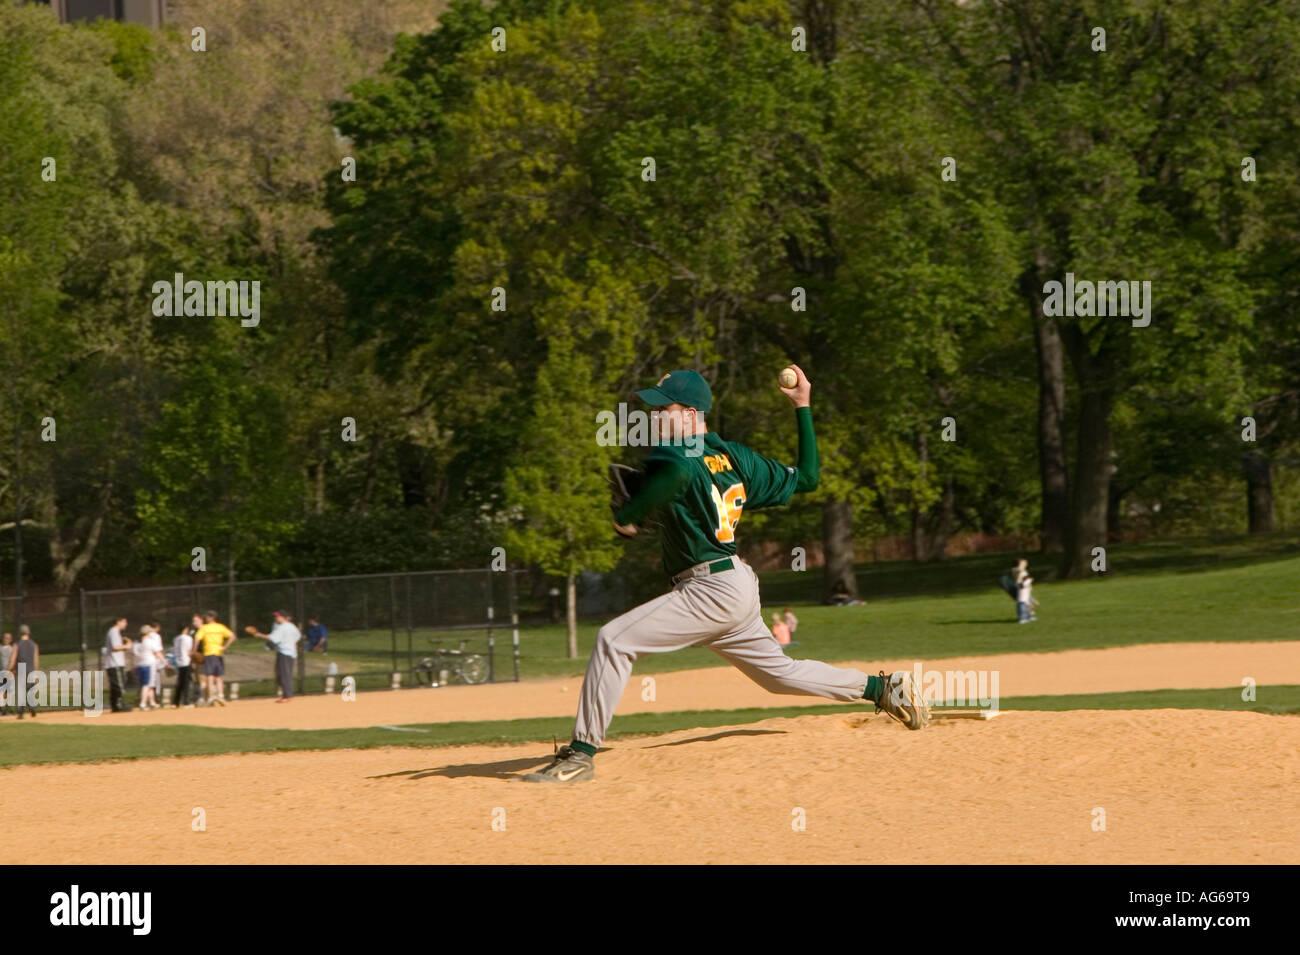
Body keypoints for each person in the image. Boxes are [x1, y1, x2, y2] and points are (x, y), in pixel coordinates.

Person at [525, 366, 929, 784]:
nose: (654, 416)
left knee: (613, 639)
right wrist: (802, 407)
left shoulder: (678, 453)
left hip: (709, 589)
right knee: (779, 675)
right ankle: (884, 689)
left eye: (664, 408)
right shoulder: (735, 457)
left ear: (691, 414)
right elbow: (807, 478)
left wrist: (630, 515)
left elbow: (679, 474)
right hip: (734, 583)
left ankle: (580, 755)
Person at [247, 611, 301, 702]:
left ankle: (287, 696)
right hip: (291, 652)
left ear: (283, 617)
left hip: (284, 652)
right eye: (276, 616)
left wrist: (258, 634)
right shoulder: (292, 626)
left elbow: (272, 638)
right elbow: (297, 637)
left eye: (278, 616)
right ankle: (287, 695)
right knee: (285, 674)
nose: (276, 618)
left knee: (283, 674)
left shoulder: (282, 628)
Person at [194, 610, 235, 706]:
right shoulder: (220, 627)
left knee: (210, 676)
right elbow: (232, 636)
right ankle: (221, 695)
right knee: (219, 677)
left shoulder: (204, 628)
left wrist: (194, 650)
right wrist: (224, 647)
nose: (205, 618)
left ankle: (211, 696)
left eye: (207, 617)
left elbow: (197, 639)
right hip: (219, 653)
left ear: (211, 617)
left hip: (209, 653)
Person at [103, 617, 132, 713]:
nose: (126, 624)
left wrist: (123, 643)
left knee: (115, 685)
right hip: (115, 663)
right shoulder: (114, 632)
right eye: (124, 622)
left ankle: (115, 705)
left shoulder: (114, 632)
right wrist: (127, 646)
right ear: (118, 622)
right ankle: (119, 705)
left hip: (114, 663)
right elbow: (115, 648)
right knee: (119, 685)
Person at [10, 625, 39, 719]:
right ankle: (32, 707)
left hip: (21, 669)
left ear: (20, 633)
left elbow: (13, 658)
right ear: (28, 633)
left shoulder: (16, 644)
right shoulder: (34, 645)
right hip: (31, 670)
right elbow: (36, 660)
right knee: (29, 691)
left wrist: (10, 669)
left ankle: (21, 713)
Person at [132, 624, 161, 710]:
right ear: (148, 632)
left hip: (139, 665)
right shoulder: (149, 641)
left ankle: (152, 702)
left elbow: (133, 655)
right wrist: (165, 662)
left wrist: (133, 666)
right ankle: (143, 703)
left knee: (149, 684)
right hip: (149, 664)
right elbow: (157, 653)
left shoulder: (136, 642)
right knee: (147, 685)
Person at [172, 620, 197, 708]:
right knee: (186, 683)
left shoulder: (176, 639)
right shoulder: (187, 638)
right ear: (186, 629)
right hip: (186, 661)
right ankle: (186, 702)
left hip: (179, 662)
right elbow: (190, 651)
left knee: (180, 682)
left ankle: (176, 702)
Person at [0, 633, 12, 716]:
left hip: (9, 673)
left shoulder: (12, 649)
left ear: (10, 640)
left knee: (9, 692)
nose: (6, 639)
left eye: (8, 638)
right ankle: (1, 709)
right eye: (5, 638)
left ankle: (7, 710)